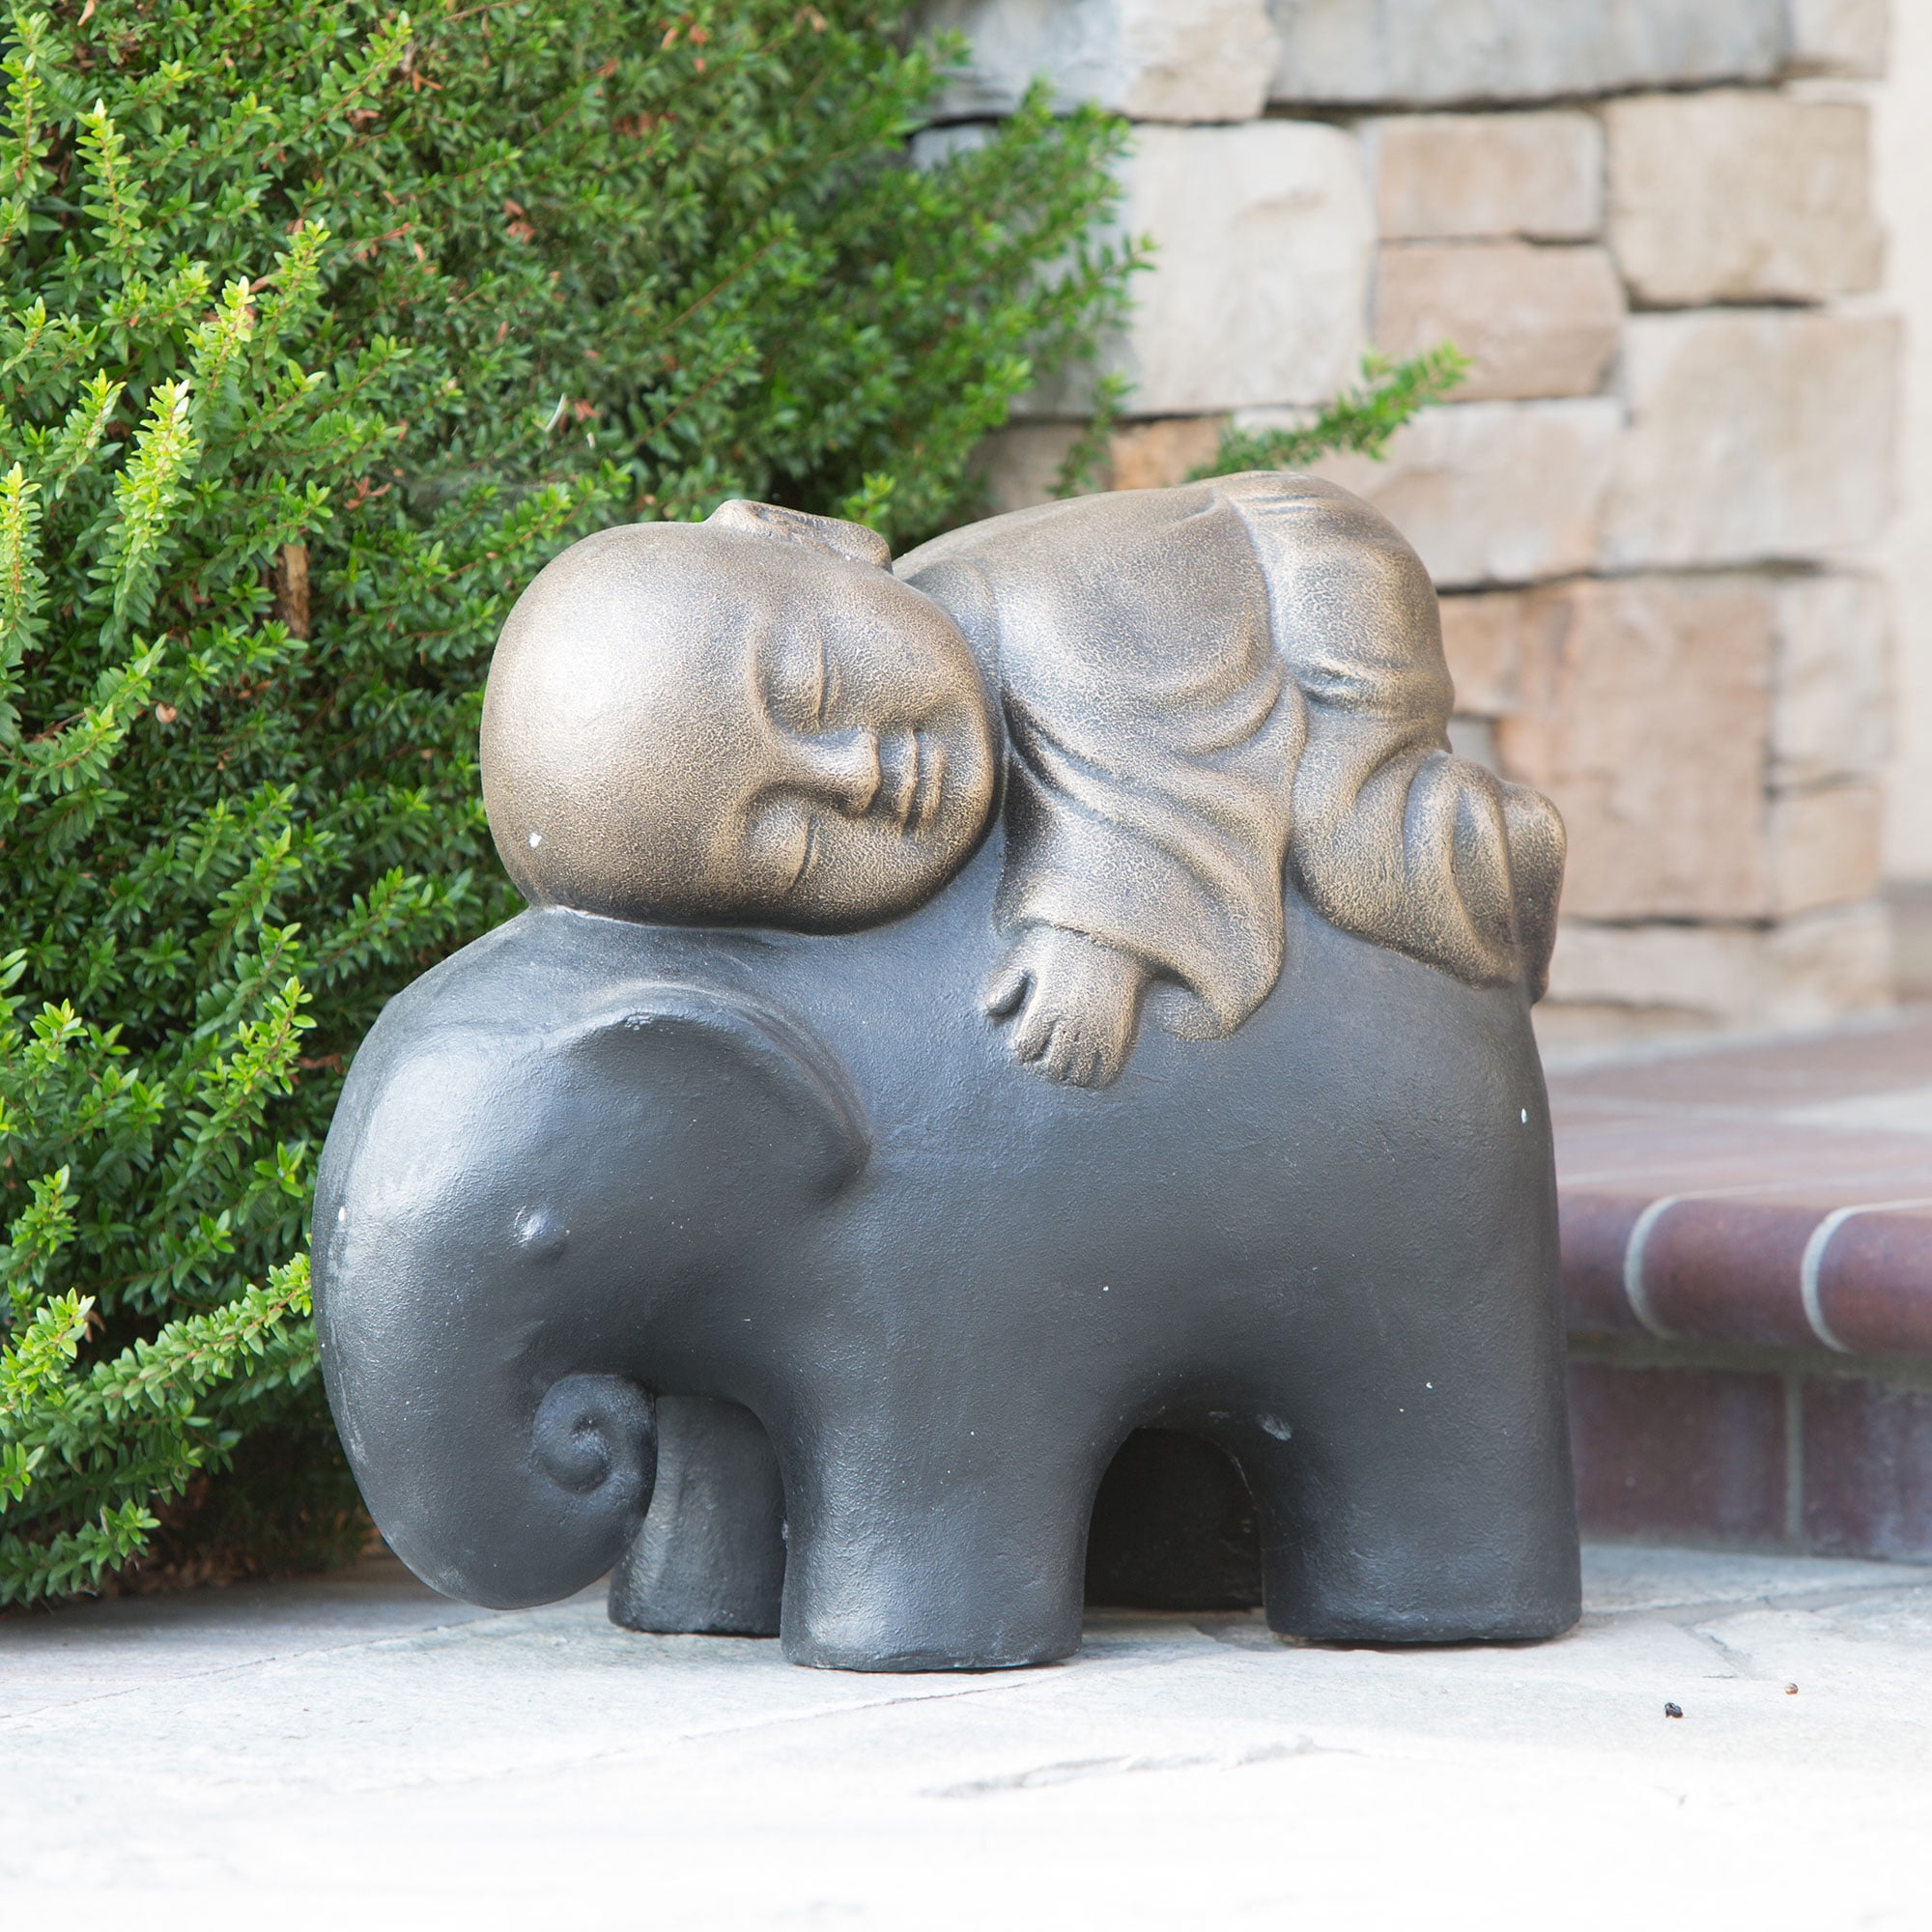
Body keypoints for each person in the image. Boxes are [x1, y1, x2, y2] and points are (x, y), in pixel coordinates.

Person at [479, 476, 1563, 1089]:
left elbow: (1148, 741)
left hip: (1305, 594)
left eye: (808, 685)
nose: (853, 771)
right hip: (1227, 636)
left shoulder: (1037, 607)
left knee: (1354, 837)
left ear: (812, 540)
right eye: (787, 846)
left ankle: (1508, 854)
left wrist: (1096, 933)